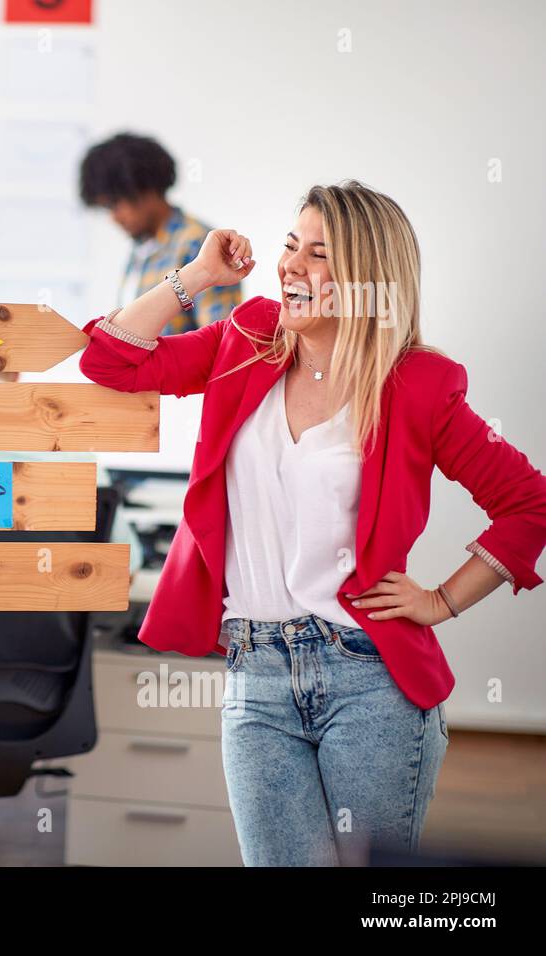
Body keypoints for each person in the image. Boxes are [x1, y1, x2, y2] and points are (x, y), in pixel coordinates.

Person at [79, 180, 546, 866]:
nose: (292, 264)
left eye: (319, 254)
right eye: (291, 244)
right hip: (255, 673)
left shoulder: (418, 385)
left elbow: (529, 505)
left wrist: (441, 600)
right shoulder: (247, 338)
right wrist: (198, 275)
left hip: (368, 679)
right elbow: (110, 360)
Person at [79, 132, 242, 334]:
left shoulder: (198, 244)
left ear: (147, 187)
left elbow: (221, 341)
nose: (114, 217)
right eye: (106, 208)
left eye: (115, 204)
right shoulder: (141, 249)